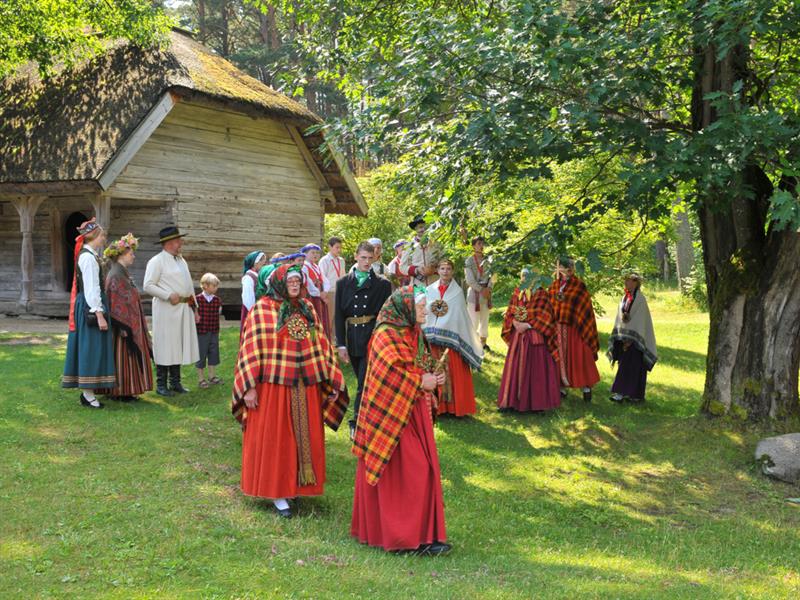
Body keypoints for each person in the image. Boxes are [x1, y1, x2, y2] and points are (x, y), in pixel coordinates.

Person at [232, 264, 349, 518]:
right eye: (290, 281)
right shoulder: (262, 310)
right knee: (277, 438)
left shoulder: (307, 308)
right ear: (279, 283)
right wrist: (249, 387)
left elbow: (321, 344)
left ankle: (296, 486)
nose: (295, 285)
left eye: (298, 281)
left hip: (304, 384)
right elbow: (250, 349)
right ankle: (276, 492)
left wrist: (330, 378)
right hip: (273, 386)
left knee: (301, 437)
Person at [351, 285, 450, 555]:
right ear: (405, 306)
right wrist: (421, 381)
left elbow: (423, 363)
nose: (425, 311)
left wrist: (435, 378)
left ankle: (422, 535)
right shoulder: (385, 334)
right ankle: (401, 538)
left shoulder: (413, 331)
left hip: (413, 410)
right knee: (409, 472)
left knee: (423, 470)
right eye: (420, 307)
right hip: (390, 415)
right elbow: (388, 376)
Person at [335, 241, 392, 438]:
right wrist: (340, 344)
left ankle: (357, 423)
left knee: (363, 382)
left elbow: (387, 315)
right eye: (363, 258)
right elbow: (339, 316)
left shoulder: (383, 284)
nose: (367, 262)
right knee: (364, 381)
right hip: (352, 338)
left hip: (373, 338)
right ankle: (374, 418)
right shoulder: (343, 283)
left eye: (370, 258)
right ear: (356, 256)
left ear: (375, 258)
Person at [62, 218, 115, 408]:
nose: (104, 239)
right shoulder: (88, 257)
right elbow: (91, 288)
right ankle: (87, 394)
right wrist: (99, 314)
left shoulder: (90, 255)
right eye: (102, 235)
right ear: (94, 236)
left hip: (90, 305)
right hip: (90, 307)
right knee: (90, 347)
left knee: (93, 346)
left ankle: (91, 391)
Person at [143, 226, 200, 396]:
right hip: (166, 310)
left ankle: (175, 382)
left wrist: (195, 308)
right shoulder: (157, 261)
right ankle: (161, 385)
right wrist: (167, 295)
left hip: (183, 308)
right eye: (177, 241)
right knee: (165, 345)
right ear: (168, 243)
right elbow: (148, 285)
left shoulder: (181, 260)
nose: (180, 243)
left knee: (178, 344)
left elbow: (189, 286)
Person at [423, 258, 483, 416]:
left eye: (448, 269)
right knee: (434, 369)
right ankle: (438, 407)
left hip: (452, 341)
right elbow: (427, 310)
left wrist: (447, 325)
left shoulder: (457, 293)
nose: (445, 271)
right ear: (438, 271)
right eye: (442, 268)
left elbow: (459, 316)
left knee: (454, 373)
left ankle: (456, 408)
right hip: (433, 339)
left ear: (452, 271)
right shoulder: (429, 290)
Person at [97, 233, 153, 402]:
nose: (133, 256)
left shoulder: (122, 273)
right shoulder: (115, 275)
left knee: (128, 357)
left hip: (130, 323)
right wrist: (124, 326)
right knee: (123, 357)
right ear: (121, 255)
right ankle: (121, 391)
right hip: (122, 327)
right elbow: (115, 302)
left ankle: (128, 390)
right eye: (131, 253)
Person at [497, 269, 561, 412]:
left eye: (529, 276)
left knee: (535, 369)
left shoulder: (541, 293)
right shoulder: (517, 292)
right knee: (514, 368)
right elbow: (510, 311)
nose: (526, 278)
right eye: (523, 276)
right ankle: (510, 402)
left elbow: (546, 316)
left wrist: (528, 325)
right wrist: (514, 323)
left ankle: (536, 404)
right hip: (517, 337)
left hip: (534, 336)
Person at [549, 257, 600, 402]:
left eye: (571, 266)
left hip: (575, 327)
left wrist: (580, 323)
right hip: (557, 328)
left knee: (580, 355)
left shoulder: (579, 285)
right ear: (560, 269)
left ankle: (586, 386)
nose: (569, 269)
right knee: (559, 357)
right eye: (566, 266)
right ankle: (561, 387)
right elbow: (550, 304)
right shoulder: (553, 286)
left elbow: (584, 308)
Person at [608, 273, 658, 403]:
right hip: (624, 338)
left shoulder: (640, 299)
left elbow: (640, 320)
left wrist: (631, 339)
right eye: (626, 281)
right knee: (624, 365)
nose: (626, 283)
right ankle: (620, 393)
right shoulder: (625, 297)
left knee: (636, 367)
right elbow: (621, 317)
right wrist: (622, 336)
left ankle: (635, 395)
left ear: (636, 283)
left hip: (636, 342)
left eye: (629, 281)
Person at [464, 236, 493, 351]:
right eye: (479, 243)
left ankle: (483, 343)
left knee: (485, 319)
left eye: (483, 243)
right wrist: (481, 290)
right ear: (473, 245)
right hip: (474, 294)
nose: (481, 246)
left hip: (487, 293)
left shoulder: (489, 260)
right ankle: (472, 344)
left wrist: (489, 288)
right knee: (473, 320)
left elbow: (494, 276)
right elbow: (470, 280)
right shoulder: (469, 261)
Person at [195, 272, 223, 389]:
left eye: (217, 286)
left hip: (213, 331)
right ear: (205, 285)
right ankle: (201, 379)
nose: (216, 288)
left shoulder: (217, 300)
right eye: (214, 286)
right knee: (201, 354)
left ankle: (212, 376)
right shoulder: (197, 300)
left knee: (213, 353)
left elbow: (218, 313)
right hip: (202, 332)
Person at [400, 215, 443, 286]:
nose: (423, 229)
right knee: (420, 297)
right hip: (418, 285)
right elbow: (402, 267)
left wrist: (434, 269)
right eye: (420, 227)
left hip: (435, 283)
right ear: (415, 229)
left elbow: (444, 261)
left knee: (436, 297)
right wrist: (416, 270)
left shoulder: (436, 244)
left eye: (425, 227)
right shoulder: (409, 246)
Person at [301, 243, 331, 338]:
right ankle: (313, 340)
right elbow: (309, 284)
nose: (315, 255)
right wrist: (320, 294)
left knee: (322, 319)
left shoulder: (317, 267)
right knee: (313, 319)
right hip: (312, 298)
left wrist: (325, 291)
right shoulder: (304, 267)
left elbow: (325, 280)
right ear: (305, 254)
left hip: (320, 296)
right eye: (312, 252)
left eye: (317, 253)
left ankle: (322, 341)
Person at [319, 236, 346, 335]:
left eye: (340, 247)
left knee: (338, 317)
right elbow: (321, 278)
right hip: (330, 292)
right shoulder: (324, 260)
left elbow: (343, 276)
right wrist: (324, 293)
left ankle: (336, 340)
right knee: (329, 317)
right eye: (337, 247)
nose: (339, 250)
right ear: (330, 247)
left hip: (340, 291)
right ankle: (327, 339)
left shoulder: (341, 260)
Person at [241, 251, 267, 335]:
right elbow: (248, 299)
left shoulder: (259, 276)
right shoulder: (248, 277)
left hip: (261, 310)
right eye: (261, 261)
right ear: (254, 263)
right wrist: (254, 314)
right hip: (252, 312)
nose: (264, 263)